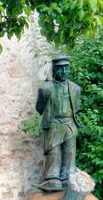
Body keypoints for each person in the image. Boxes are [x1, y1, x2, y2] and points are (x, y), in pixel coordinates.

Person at [35, 55, 81, 191]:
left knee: (70, 151)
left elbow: (76, 107)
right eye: (60, 69)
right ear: (54, 70)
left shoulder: (75, 89)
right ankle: (51, 178)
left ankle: (68, 177)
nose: (64, 72)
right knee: (53, 152)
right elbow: (40, 108)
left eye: (66, 68)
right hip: (53, 123)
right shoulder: (45, 88)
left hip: (69, 123)